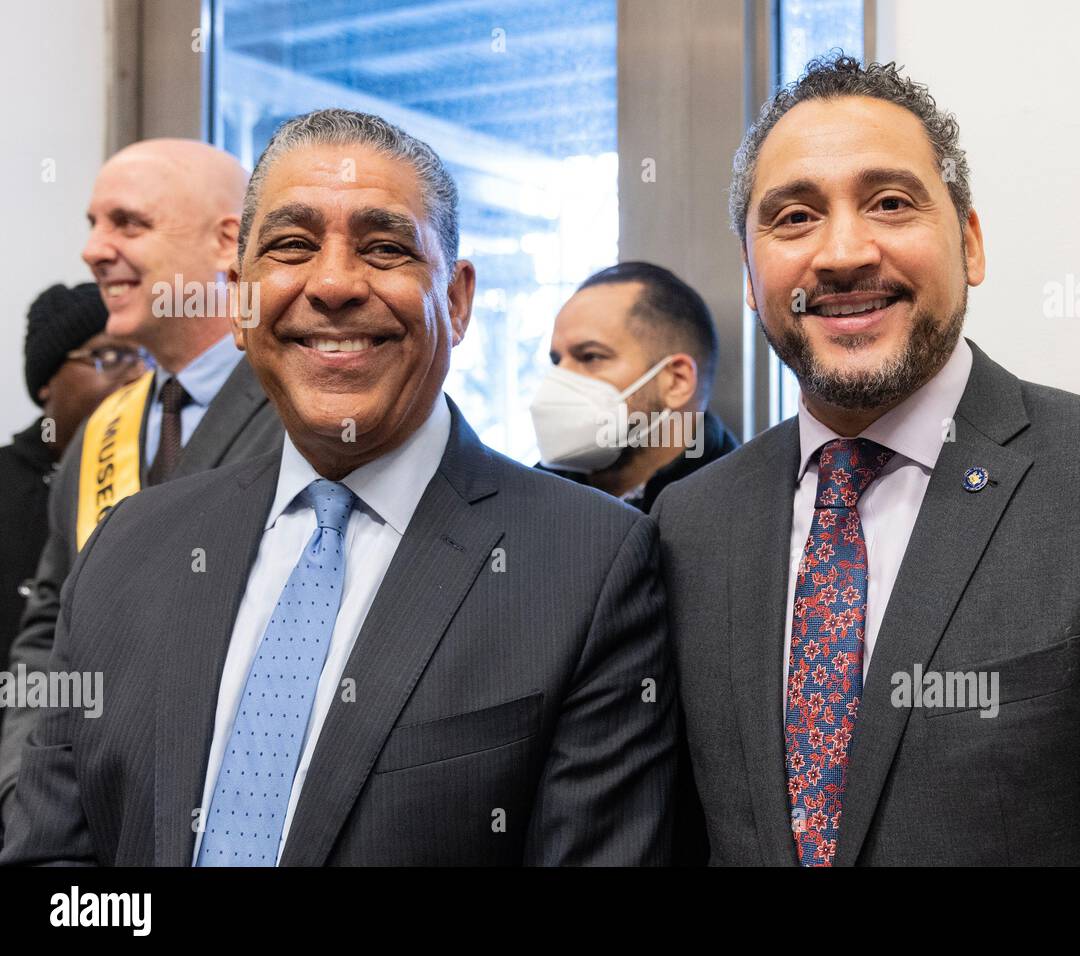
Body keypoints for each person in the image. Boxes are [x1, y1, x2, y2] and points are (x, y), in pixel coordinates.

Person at [653, 55, 1080, 866]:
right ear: (750, 275)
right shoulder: (691, 523)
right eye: (792, 218)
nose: (842, 252)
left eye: (890, 203)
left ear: (970, 242)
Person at [0, 108, 676, 866]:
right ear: (239, 303)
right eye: (291, 246)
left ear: (456, 302)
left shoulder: (588, 564)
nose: (332, 284)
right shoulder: (130, 543)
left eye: (385, 248)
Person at [0, 140, 284, 838]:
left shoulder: (302, 410)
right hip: (86, 837)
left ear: (227, 242)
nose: (94, 250)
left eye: (127, 224)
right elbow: (47, 633)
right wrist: (22, 788)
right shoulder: (101, 431)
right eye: (93, 224)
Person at [0, 283, 145, 660]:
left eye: (147, 358)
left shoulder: (158, 478)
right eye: (110, 355)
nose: (137, 377)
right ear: (47, 379)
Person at [531, 261, 737, 511]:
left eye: (590, 357)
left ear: (676, 381)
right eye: (556, 360)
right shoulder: (529, 502)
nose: (559, 380)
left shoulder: (743, 510)